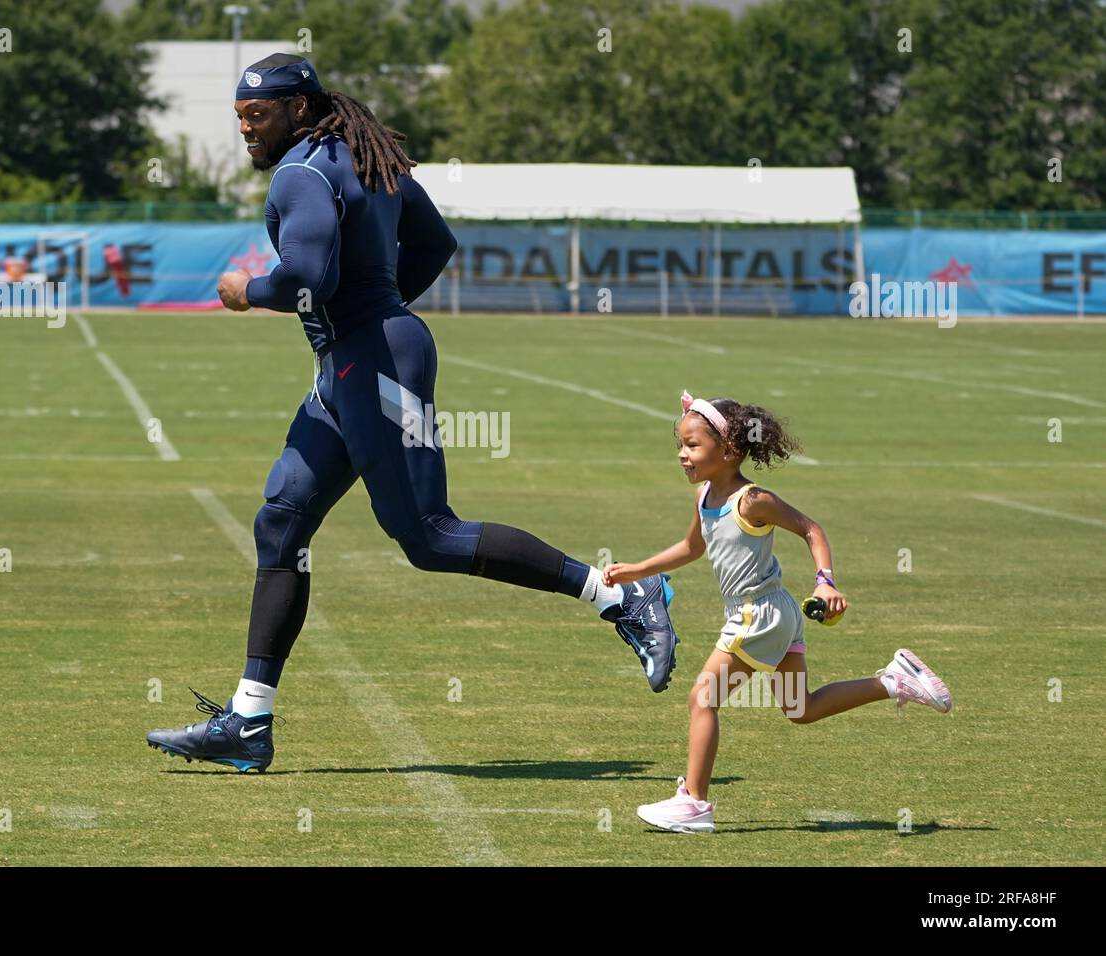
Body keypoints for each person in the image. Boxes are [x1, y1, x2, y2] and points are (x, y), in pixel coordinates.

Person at [146, 54, 677, 773]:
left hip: (373, 364)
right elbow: (434, 242)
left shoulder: (301, 172)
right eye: (239, 116)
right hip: (354, 362)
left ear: (300, 109)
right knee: (281, 518)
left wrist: (249, 290)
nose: (246, 129)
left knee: (428, 536)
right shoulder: (361, 159)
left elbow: (307, 276)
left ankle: (619, 593)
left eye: (258, 115)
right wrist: (378, 312)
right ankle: (248, 720)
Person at [603, 391, 953, 833]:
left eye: (693, 445)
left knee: (702, 697)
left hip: (758, 614)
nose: (682, 455)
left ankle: (693, 803)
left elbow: (811, 529)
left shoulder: (752, 500)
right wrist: (637, 568)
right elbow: (693, 547)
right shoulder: (706, 495)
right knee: (800, 708)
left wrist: (826, 581)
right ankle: (891, 680)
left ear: (729, 450)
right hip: (776, 614)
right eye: (681, 445)